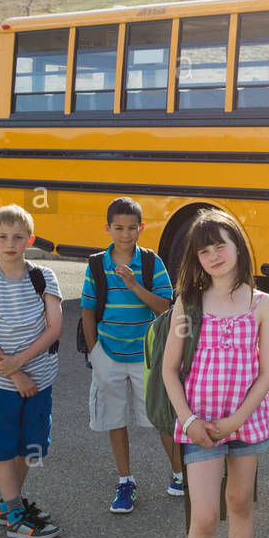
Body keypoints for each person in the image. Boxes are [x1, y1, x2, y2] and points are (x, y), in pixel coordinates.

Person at [161, 210, 269, 538]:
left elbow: (268, 372)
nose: (213, 255)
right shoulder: (188, 302)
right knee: (205, 517)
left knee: (241, 504)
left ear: (238, 246)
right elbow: (169, 370)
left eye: (220, 245)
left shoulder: (264, 304)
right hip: (198, 426)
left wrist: (235, 420)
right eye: (204, 249)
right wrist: (189, 420)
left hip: (246, 423)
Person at [0, 204, 63, 538]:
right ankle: (15, 515)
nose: (10, 243)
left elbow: (54, 328)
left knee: (29, 448)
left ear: (29, 240)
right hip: (1, 384)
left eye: (18, 237)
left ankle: (10, 505)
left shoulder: (43, 277)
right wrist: (15, 373)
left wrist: (22, 362)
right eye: (3, 237)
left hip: (40, 379)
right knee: (5, 447)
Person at [80, 197, 181, 513]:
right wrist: (95, 352)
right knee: (114, 417)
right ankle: (125, 481)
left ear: (142, 228)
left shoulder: (152, 263)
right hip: (108, 353)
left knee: (160, 417)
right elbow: (87, 311)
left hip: (145, 355)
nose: (125, 235)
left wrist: (134, 286)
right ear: (108, 228)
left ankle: (180, 475)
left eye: (132, 228)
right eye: (119, 228)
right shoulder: (97, 264)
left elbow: (165, 307)